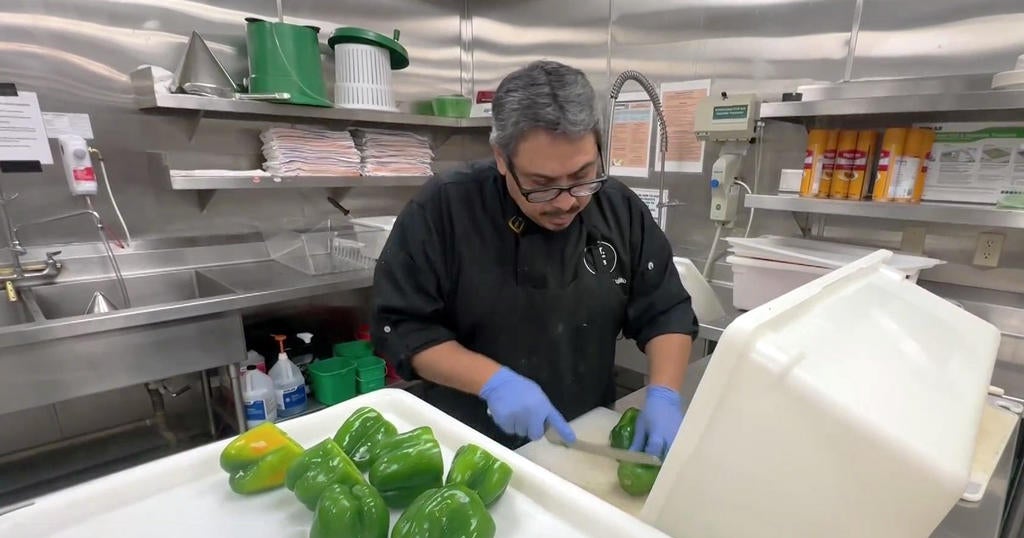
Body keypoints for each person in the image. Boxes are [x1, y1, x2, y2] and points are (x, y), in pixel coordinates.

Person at [371, 60, 698, 455]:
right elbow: (403, 328)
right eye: (541, 186)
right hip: (468, 443)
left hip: (584, 435)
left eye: (582, 176)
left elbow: (665, 310)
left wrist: (663, 393)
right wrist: (493, 381)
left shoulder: (619, 209)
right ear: (501, 158)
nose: (566, 202)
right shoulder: (444, 208)